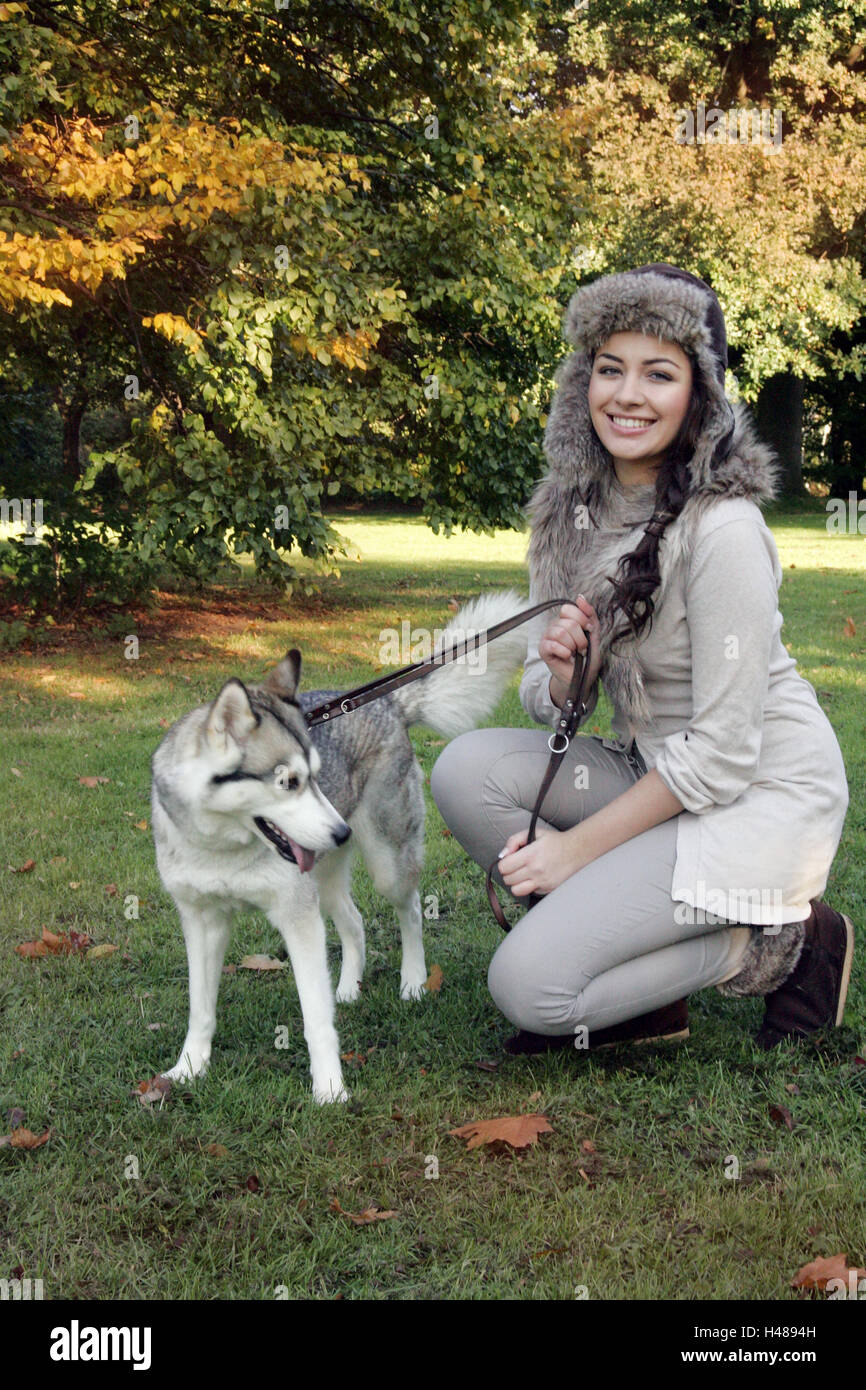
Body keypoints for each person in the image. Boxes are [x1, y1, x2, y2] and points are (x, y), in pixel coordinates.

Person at [429, 263, 853, 1055]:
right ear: (579, 382)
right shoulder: (569, 511)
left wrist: (573, 855)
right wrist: (565, 677)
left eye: (658, 373)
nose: (627, 395)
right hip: (653, 764)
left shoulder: (723, 530)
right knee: (463, 769)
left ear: (700, 392)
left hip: (756, 793)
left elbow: (724, 757)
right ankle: (643, 993)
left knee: (531, 990)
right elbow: (541, 698)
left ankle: (784, 947)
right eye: (608, 368)